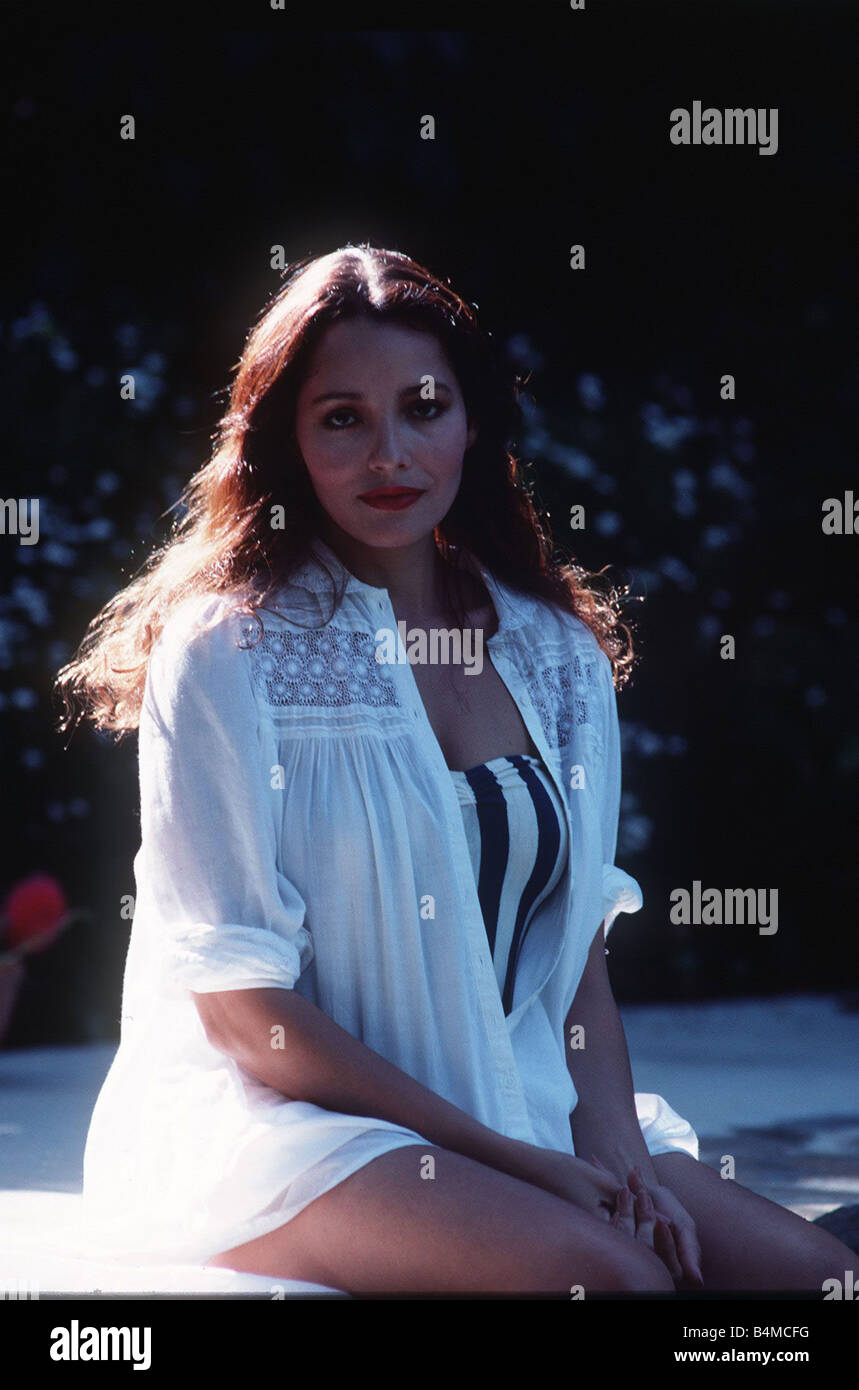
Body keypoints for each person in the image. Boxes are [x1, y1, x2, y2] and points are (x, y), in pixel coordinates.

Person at [56, 245, 854, 1295]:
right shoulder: (226, 653)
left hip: (511, 1098)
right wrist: (516, 1165)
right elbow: (248, 1015)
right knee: (615, 1284)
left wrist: (612, 1147)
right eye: (342, 416)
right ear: (288, 441)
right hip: (288, 1131)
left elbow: (575, 959)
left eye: (422, 407)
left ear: (471, 423)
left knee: (815, 1279)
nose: (389, 452)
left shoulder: (551, 650)